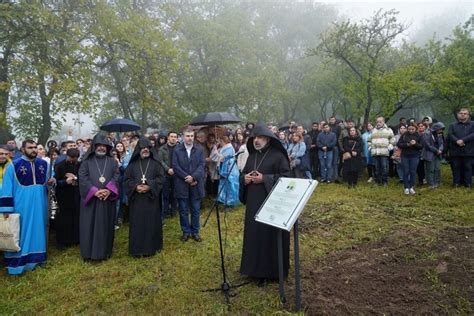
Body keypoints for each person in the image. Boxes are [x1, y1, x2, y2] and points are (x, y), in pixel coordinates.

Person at [239, 124, 291, 286]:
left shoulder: (278, 156)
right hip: (253, 202)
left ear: (268, 139)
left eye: (260, 137)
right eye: (255, 137)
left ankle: (269, 272)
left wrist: (265, 179)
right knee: (254, 234)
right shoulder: (251, 156)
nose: (257, 140)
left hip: (272, 203)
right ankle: (252, 269)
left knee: (267, 235)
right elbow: (243, 173)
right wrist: (245, 179)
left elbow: (287, 178)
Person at [0, 140, 53, 275]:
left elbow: (49, 183)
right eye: (30, 147)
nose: (34, 150)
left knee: (38, 230)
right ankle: (18, 262)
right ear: (23, 149)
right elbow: (6, 188)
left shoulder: (44, 164)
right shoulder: (14, 165)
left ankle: (37, 259)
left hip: (40, 204)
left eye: (35, 147)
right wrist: (6, 209)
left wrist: (53, 182)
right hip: (21, 206)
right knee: (21, 232)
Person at [78, 133, 119, 261]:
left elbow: (116, 177)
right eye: (99, 146)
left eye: (104, 146)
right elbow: (82, 178)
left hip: (107, 200)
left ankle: (104, 252)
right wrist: (95, 191)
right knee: (88, 226)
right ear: (94, 147)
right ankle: (89, 253)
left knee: (105, 225)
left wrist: (108, 190)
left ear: (107, 147)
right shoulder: (86, 162)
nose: (101, 148)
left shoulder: (112, 162)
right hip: (91, 201)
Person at [124, 137, 164, 257]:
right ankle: (137, 249)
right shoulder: (132, 165)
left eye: (147, 148)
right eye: (142, 148)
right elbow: (126, 180)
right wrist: (136, 187)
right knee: (137, 223)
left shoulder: (156, 164)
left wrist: (150, 186)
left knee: (152, 223)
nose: (145, 150)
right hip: (137, 200)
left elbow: (161, 179)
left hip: (151, 200)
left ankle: (152, 247)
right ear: (138, 149)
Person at [172, 130, 206, 242]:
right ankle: (186, 231)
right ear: (183, 137)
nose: (190, 138)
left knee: (196, 210)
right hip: (182, 184)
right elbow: (175, 166)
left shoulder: (199, 149)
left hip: (196, 184)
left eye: (191, 136)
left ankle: (195, 232)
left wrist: (194, 177)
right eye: (187, 136)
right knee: (183, 210)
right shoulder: (177, 150)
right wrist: (186, 177)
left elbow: (202, 165)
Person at [54, 148, 81, 248]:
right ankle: (62, 241)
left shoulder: (80, 165)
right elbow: (55, 182)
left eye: (75, 159)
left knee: (75, 218)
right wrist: (65, 182)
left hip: (76, 195)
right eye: (71, 158)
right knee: (63, 219)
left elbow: (83, 177)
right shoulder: (59, 166)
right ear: (67, 156)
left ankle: (75, 239)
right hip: (63, 196)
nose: (73, 160)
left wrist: (75, 178)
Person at [448, 108, 474, 188]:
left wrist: (463, 140)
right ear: (457, 115)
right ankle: (456, 183)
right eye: (461, 113)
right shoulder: (452, 125)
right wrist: (457, 141)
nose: (462, 114)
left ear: (468, 115)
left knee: (468, 167)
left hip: (468, 150)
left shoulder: (473, 124)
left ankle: (468, 183)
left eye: (465, 113)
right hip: (455, 150)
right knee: (456, 167)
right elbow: (450, 135)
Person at [368, 117, 395, 186]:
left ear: (383, 122)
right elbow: (369, 140)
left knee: (384, 167)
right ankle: (377, 181)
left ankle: (385, 181)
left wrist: (390, 146)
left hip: (384, 152)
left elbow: (393, 139)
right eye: (377, 122)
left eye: (380, 122)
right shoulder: (373, 130)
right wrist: (370, 147)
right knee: (376, 167)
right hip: (375, 152)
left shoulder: (388, 130)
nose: (378, 123)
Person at [397, 124, 423, 195]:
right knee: (406, 171)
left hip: (415, 156)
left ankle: (411, 187)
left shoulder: (418, 135)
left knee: (413, 171)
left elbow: (421, 146)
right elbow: (399, 144)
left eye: (412, 129)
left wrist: (415, 144)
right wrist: (407, 144)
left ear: (415, 129)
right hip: (405, 156)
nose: (411, 130)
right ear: (407, 129)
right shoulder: (404, 135)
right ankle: (406, 187)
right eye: (409, 129)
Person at [159, 131, 179, 218]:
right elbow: (160, 160)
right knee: (165, 194)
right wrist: (168, 169)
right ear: (168, 137)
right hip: (165, 175)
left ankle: (174, 212)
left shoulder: (179, 148)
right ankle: (165, 212)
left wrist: (175, 169)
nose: (173, 138)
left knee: (175, 194)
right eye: (172, 136)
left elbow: (181, 160)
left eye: (175, 137)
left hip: (177, 174)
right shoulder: (162, 148)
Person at [216, 136, 240, 208]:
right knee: (224, 184)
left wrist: (217, 154)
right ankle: (223, 199)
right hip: (225, 167)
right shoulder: (225, 148)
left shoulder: (228, 148)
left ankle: (231, 203)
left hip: (229, 168)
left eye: (220, 141)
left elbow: (222, 157)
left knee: (230, 185)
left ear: (223, 141)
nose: (219, 143)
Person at [423, 122, 445, 189]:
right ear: (436, 128)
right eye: (440, 129)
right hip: (430, 154)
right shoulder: (427, 133)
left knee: (437, 169)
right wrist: (436, 150)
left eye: (442, 129)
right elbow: (428, 145)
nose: (441, 130)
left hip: (438, 154)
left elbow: (442, 143)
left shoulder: (439, 134)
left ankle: (437, 182)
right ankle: (431, 184)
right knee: (430, 169)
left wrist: (440, 150)